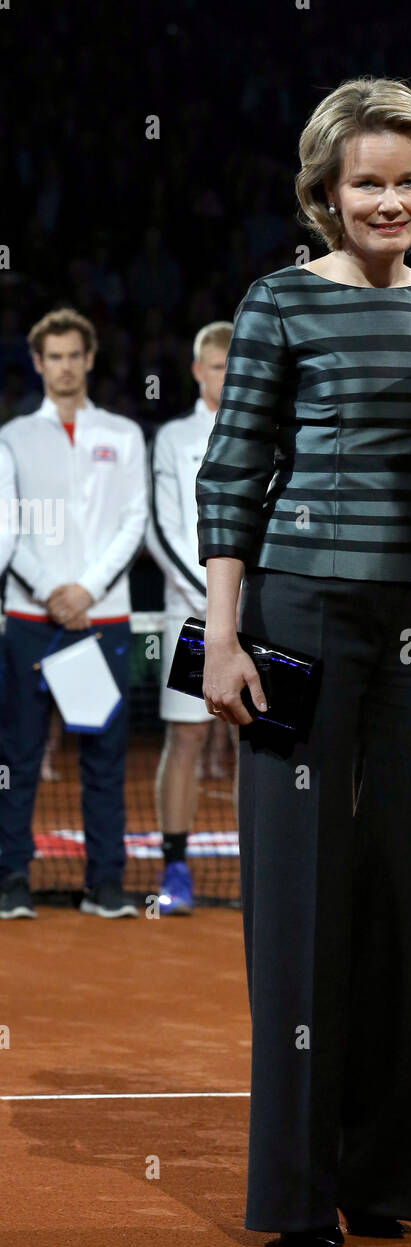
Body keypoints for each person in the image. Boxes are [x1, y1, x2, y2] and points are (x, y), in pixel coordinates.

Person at [195, 77, 411, 1247]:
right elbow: (232, 475)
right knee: (295, 895)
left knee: (401, 890)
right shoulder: (279, 303)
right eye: (367, 183)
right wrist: (224, 636)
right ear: (327, 194)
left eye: (407, 181)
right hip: (294, 618)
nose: (389, 199)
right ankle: (292, 1194)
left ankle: (381, 1179)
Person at [0, 308, 147, 919]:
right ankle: (11, 882)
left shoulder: (125, 434)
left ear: (89, 360)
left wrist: (84, 591)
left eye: (73, 355)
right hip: (32, 621)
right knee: (17, 757)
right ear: (38, 363)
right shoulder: (12, 437)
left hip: (100, 620)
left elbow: (133, 523)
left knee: (104, 759)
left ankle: (104, 884)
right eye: (52, 356)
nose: (63, 366)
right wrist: (52, 590)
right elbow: (7, 528)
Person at [145, 320, 237, 915]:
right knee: (185, 738)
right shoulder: (173, 438)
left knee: (261, 740)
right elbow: (162, 530)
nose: (227, 377)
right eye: (218, 366)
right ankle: (175, 868)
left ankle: (264, 869)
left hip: (262, 616)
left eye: (236, 366)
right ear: (199, 371)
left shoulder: (276, 432)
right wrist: (215, 595)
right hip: (193, 618)